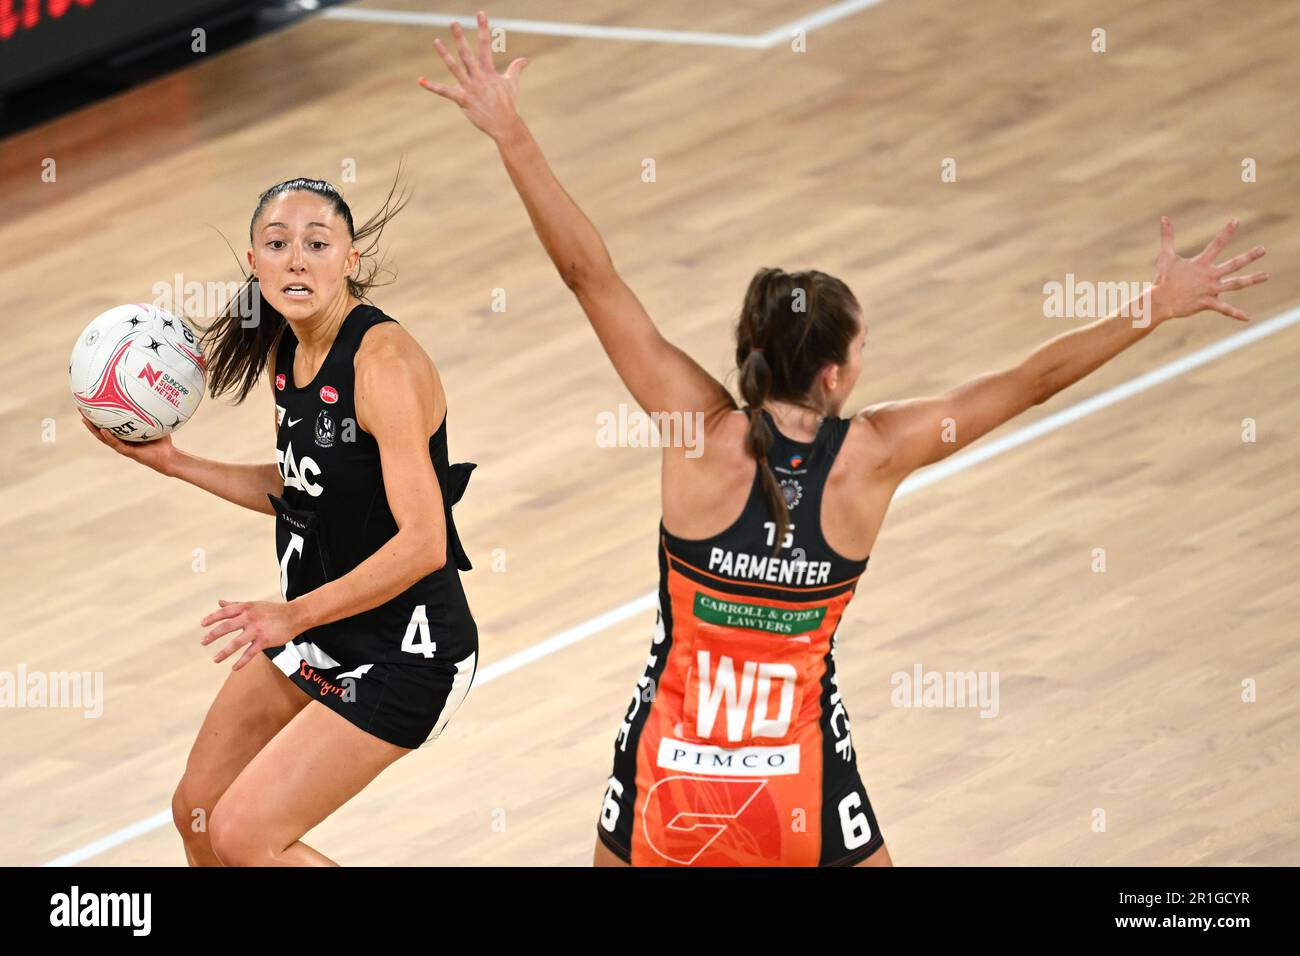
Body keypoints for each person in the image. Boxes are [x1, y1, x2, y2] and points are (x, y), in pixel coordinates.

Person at [419, 11, 1268, 865]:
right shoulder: (876, 454)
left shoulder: (696, 433)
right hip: (798, 787)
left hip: (669, 773)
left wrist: (511, 132)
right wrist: (1151, 307)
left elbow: (587, 276)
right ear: (833, 374)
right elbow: (1028, 382)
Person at [80, 176, 478, 866]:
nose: (297, 260)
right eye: (278, 244)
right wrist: (174, 463)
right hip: (325, 631)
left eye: (317, 244)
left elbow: (423, 544)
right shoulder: (286, 355)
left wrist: (291, 617)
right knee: (199, 813)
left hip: (408, 655)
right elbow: (304, 490)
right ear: (254, 261)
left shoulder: (383, 365)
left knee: (243, 834)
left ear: (350, 261)